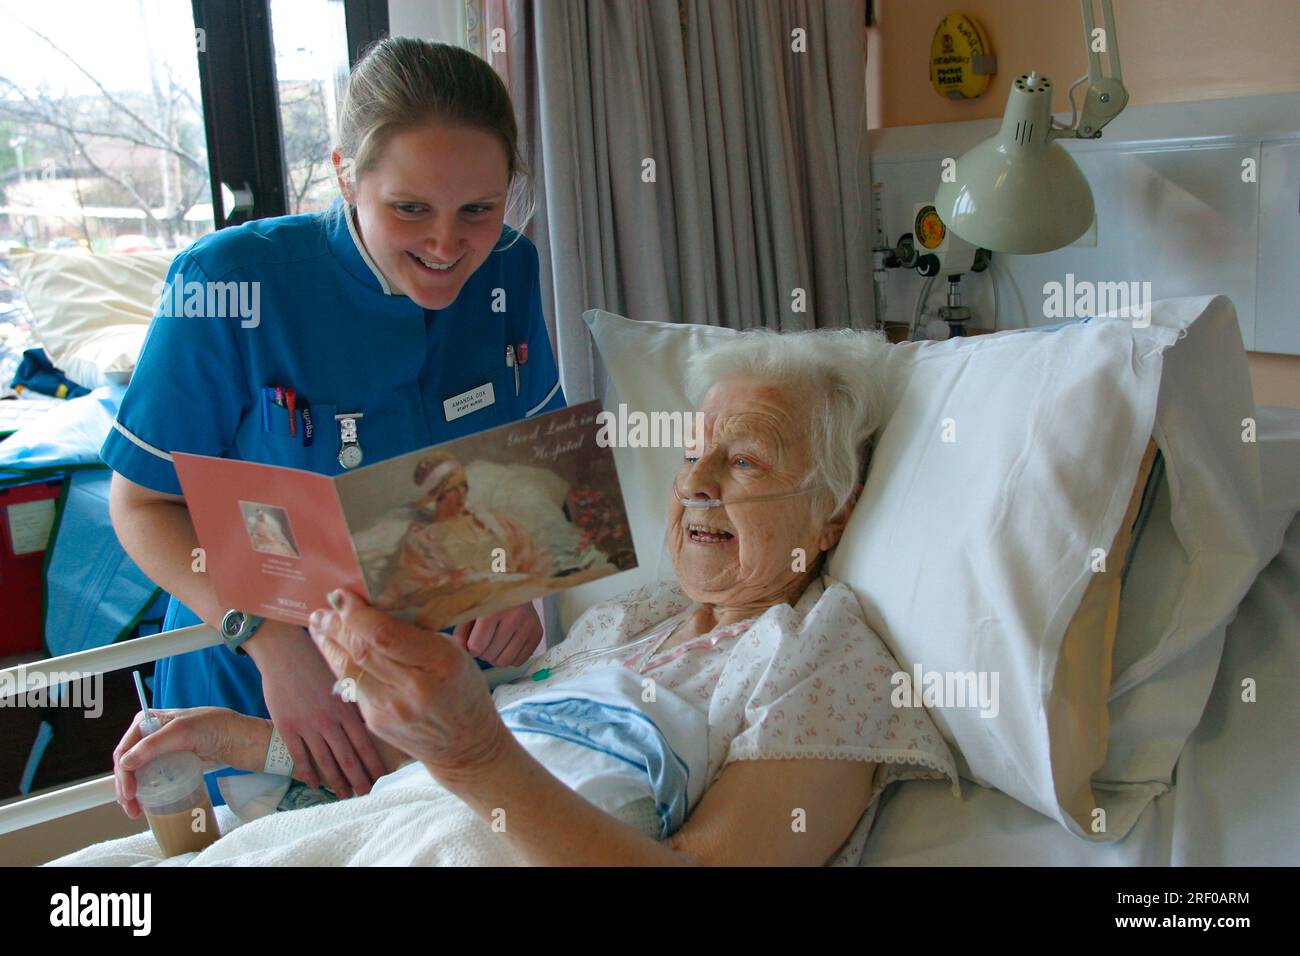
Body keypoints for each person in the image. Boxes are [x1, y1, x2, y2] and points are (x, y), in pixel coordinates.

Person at [60, 330, 961, 867]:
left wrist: (474, 754)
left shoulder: (824, 655)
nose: (696, 484)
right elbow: (426, 763)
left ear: (834, 512)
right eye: (694, 453)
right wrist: (235, 738)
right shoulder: (626, 619)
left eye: (748, 460)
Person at [101, 38, 565, 806]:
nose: (448, 245)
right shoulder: (229, 284)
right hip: (261, 683)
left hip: (443, 685)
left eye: (477, 210)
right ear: (347, 173)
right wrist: (272, 642)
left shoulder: (508, 267)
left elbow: (526, 464)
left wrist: (518, 581)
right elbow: (142, 505)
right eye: (410, 208)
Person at [374, 452, 550, 623]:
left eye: (463, 486)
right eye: (453, 489)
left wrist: (519, 592)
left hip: (510, 601)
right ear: (438, 494)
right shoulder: (422, 539)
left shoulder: (491, 521)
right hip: (458, 613)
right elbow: (410, 592)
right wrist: (460, 580)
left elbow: (529, 556)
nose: (461, 494)